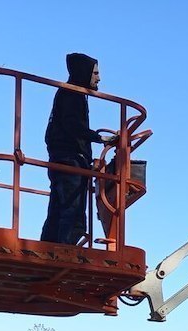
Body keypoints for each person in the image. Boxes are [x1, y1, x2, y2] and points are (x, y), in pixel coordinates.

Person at [40, 53, 117, 245]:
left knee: (58, 206)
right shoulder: (72, 94)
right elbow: (72, 124)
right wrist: (99, 138)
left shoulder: (69, 94)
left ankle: (49, 246)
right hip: (70, 158)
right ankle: (64, 249)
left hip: (63, 157)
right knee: (72, 209)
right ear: (84, 73)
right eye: (95, 73)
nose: (98, 78)